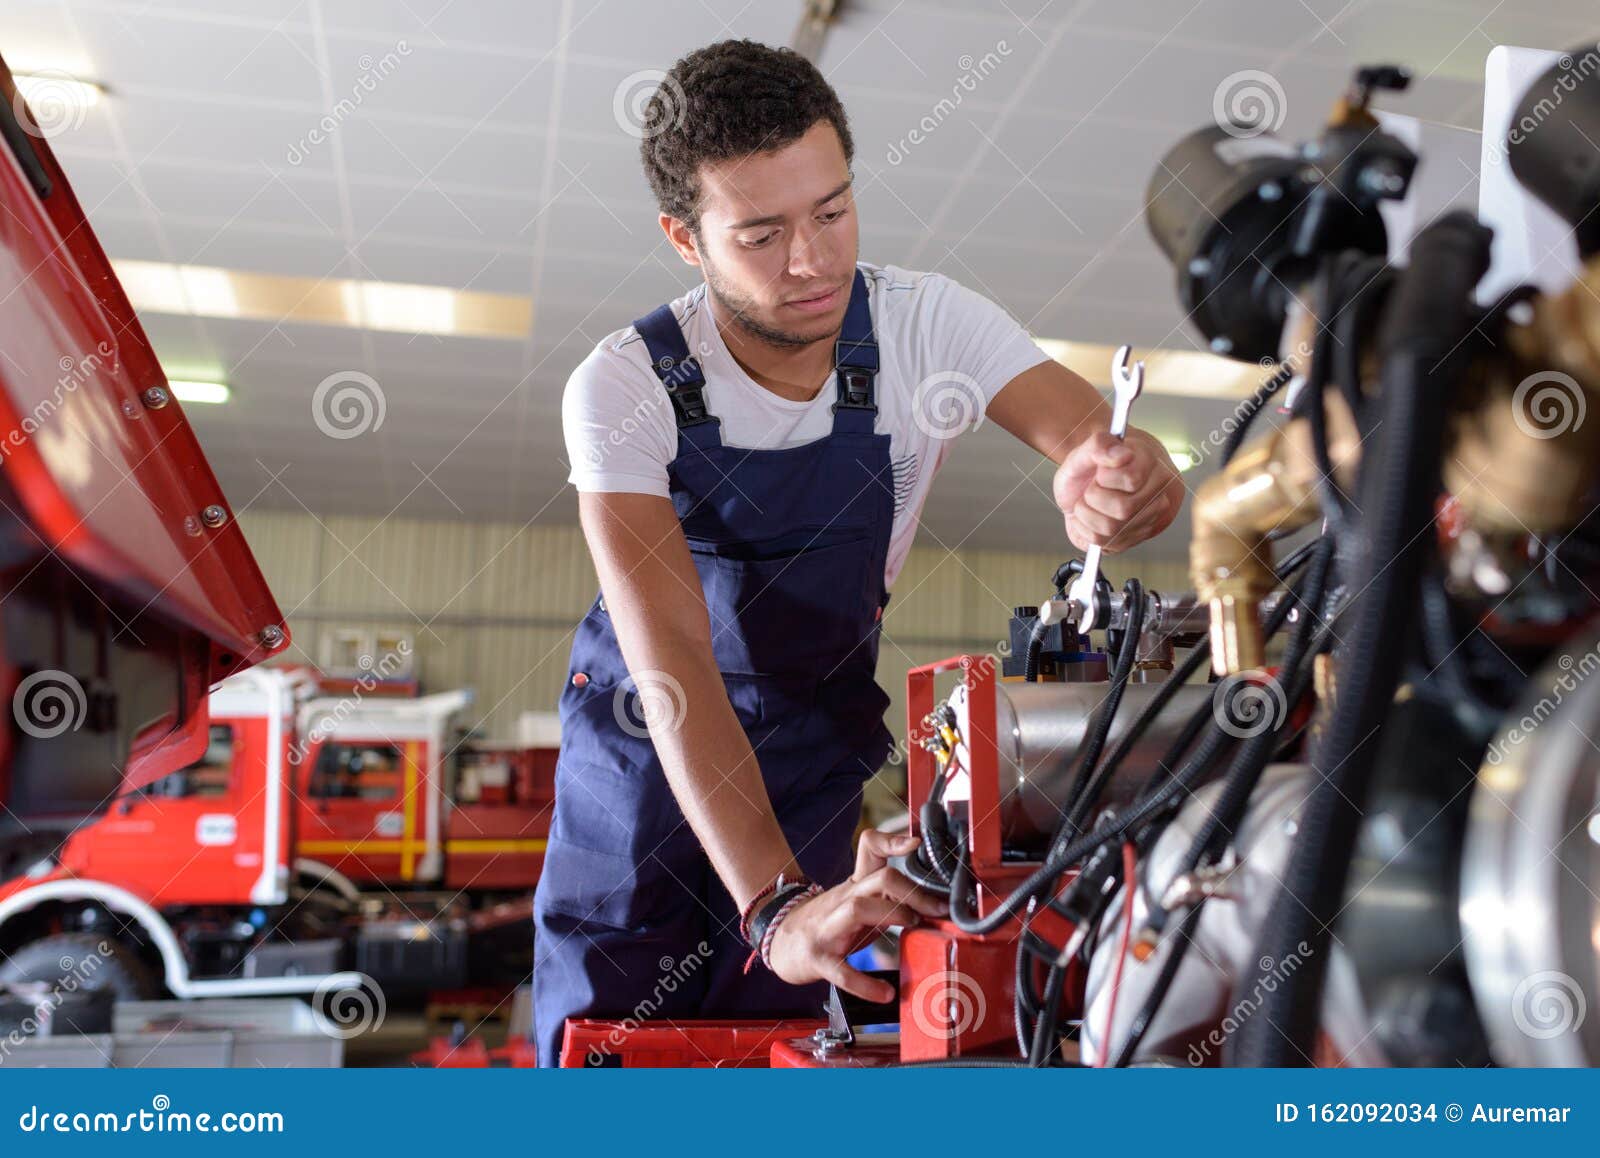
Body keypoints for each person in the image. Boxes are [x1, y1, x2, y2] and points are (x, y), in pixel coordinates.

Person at [532, 39, 1182, 1066]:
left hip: (812, 747)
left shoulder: (930, 328)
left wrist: (1120, 476)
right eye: (761, 234)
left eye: (832, 212)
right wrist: (774, 904)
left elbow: (1102, 446)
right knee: (612, 1053)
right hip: (646, 758)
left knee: (797, 1047)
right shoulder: (624, 386)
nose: (813, 261)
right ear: (683, 238)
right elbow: (675, 668)